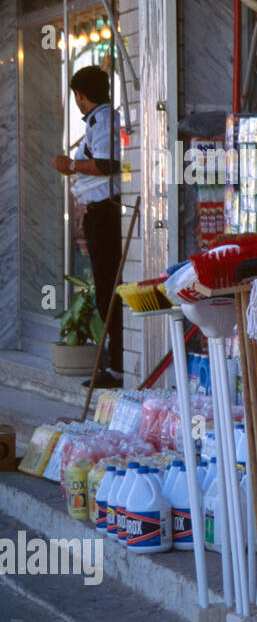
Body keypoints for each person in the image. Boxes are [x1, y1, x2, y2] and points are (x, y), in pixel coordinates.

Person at [50, 65, 123, 387]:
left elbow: (109, 164)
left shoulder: (104, 119)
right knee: (106, 288)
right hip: (99, 212)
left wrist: (70, 165)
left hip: (106, 212)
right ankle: (114, 361)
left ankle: (117, 366)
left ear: (80, 95)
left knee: (109, 288)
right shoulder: (101, 120)